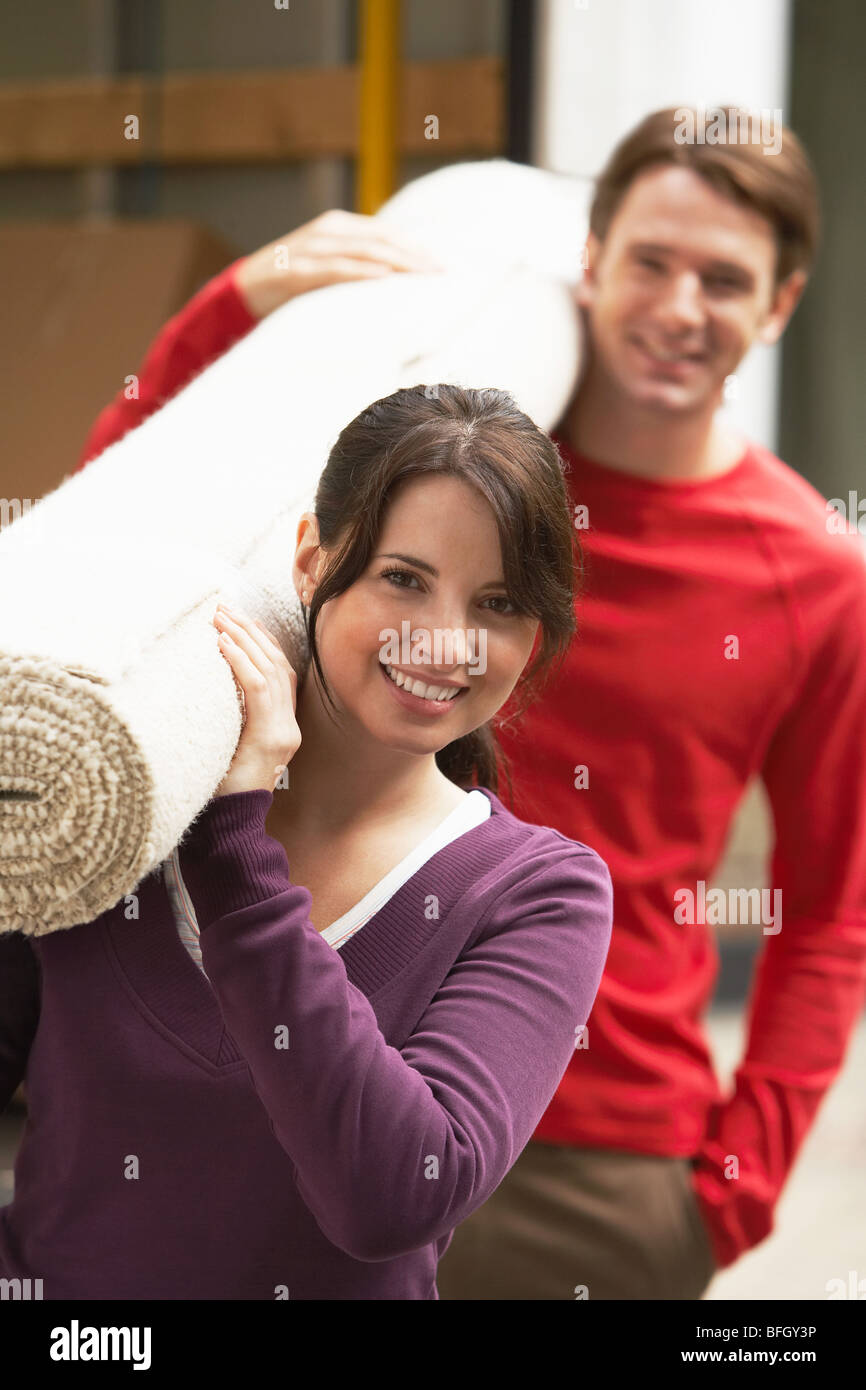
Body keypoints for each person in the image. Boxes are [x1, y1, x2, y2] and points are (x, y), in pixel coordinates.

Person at [47, 110, 866, 1298]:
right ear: (590, 262)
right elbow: (142, 549)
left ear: (778, 305)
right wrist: (234, 309)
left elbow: (829, 909)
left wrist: (732, 1187)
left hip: (600, 1164)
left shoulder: (813, 575)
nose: (680, 305)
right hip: (323, 1078)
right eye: (650, 260)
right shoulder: (447, 476)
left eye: (723, 279)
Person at [0, 373, 614, 1298]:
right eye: (404, 580)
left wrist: (235, 852)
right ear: (311, 562)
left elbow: (395, 1196)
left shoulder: (540, 894)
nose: (442, 643)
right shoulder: (124, 806)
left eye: (497, 604)